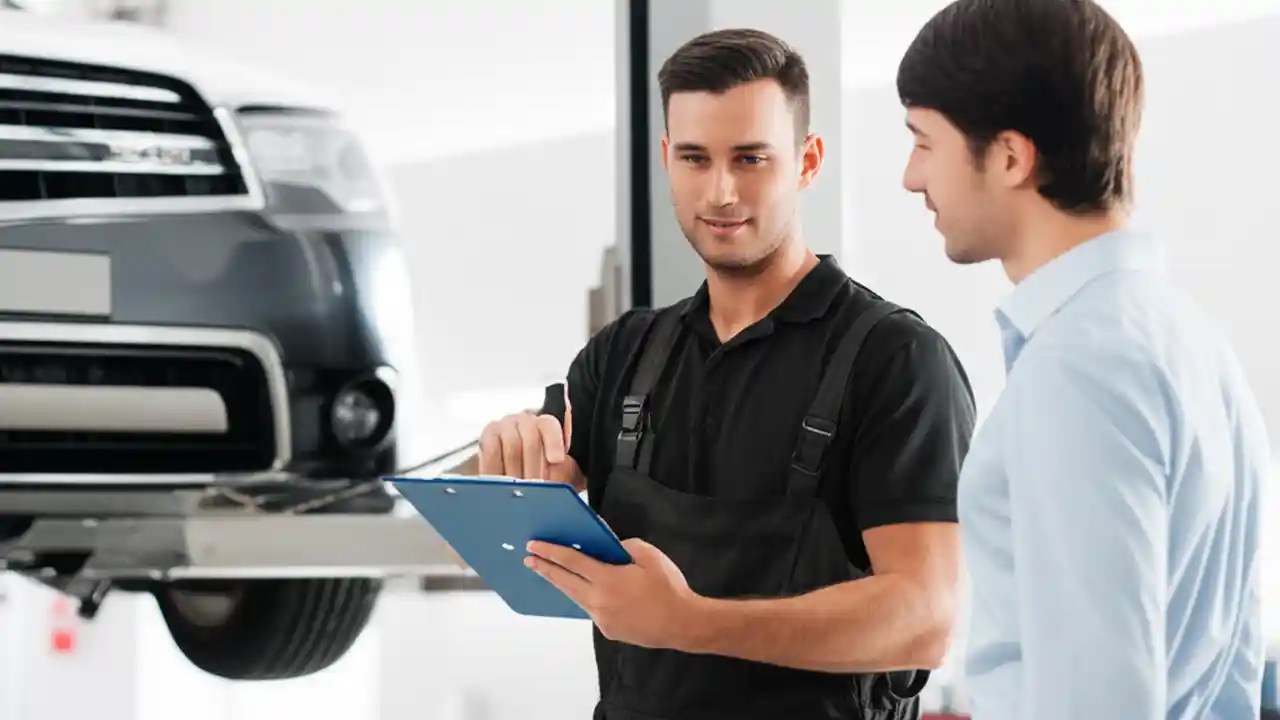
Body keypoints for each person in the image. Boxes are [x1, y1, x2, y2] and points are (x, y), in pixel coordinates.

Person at [476, 28, 976, 720]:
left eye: (750, 159)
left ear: (807, 161)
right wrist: (514, 462)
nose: (720, 191)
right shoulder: (625, 352)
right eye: (694, 158)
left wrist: (686, 621)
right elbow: (533, 486)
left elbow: (926, 618)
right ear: (666, 161)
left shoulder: (894, 360)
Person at [896, 1, 1272, 718]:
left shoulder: (1079, 371)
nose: (912, 178)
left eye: (923, 141)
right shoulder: (1190, 339)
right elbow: (1233, 682)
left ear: (1009, 156)